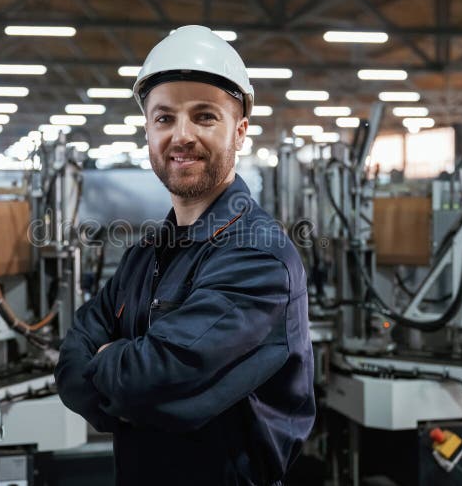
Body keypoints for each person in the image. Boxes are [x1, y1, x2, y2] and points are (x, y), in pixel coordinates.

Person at [55, 25, 315, 486]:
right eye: (164, 118)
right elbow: (73, 357)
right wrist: (120, 368)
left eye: (205, 116)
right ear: (148, 132)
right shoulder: (146, 254)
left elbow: (154, 380)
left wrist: (115, 367)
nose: (182, 135)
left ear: (240, 133)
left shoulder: (258, 256)